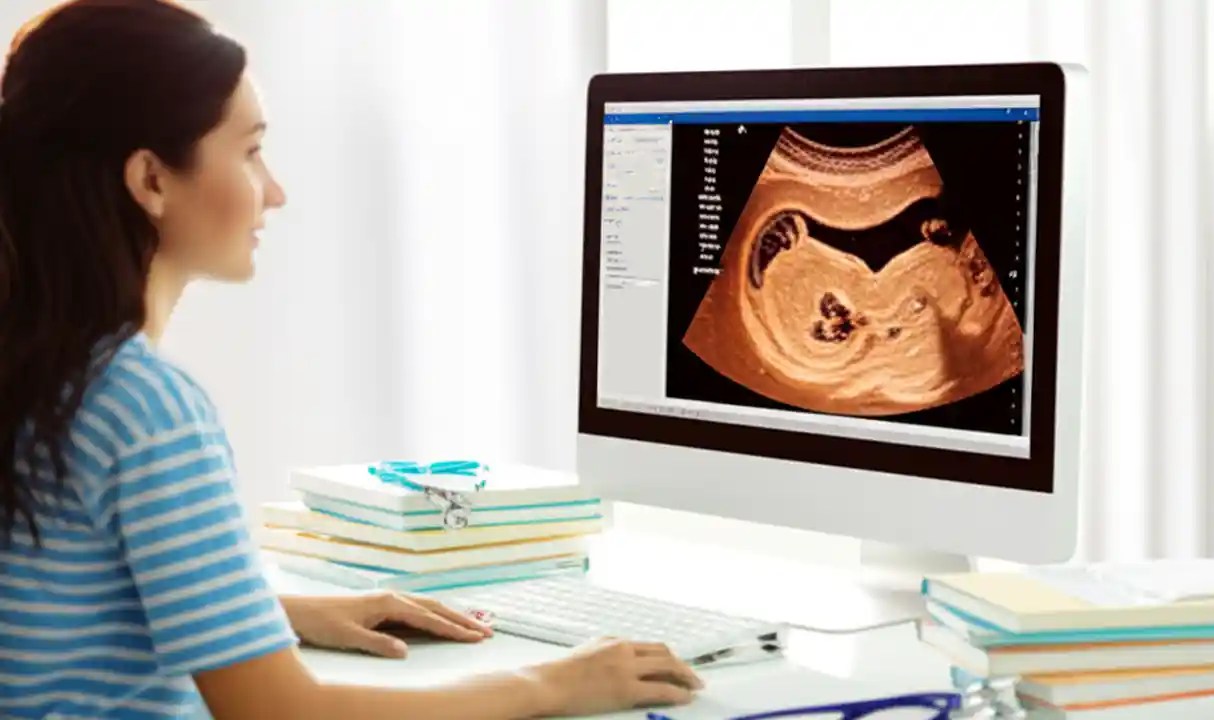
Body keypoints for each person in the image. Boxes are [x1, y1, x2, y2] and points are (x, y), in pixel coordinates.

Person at [0, 1, 702, 718]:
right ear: (151, 180)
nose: (274, 191)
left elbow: (65, 594)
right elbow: (278, 711)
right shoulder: (144, 406)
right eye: (249, 152)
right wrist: (557, 683)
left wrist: (276, 616)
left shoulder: (39, 373)